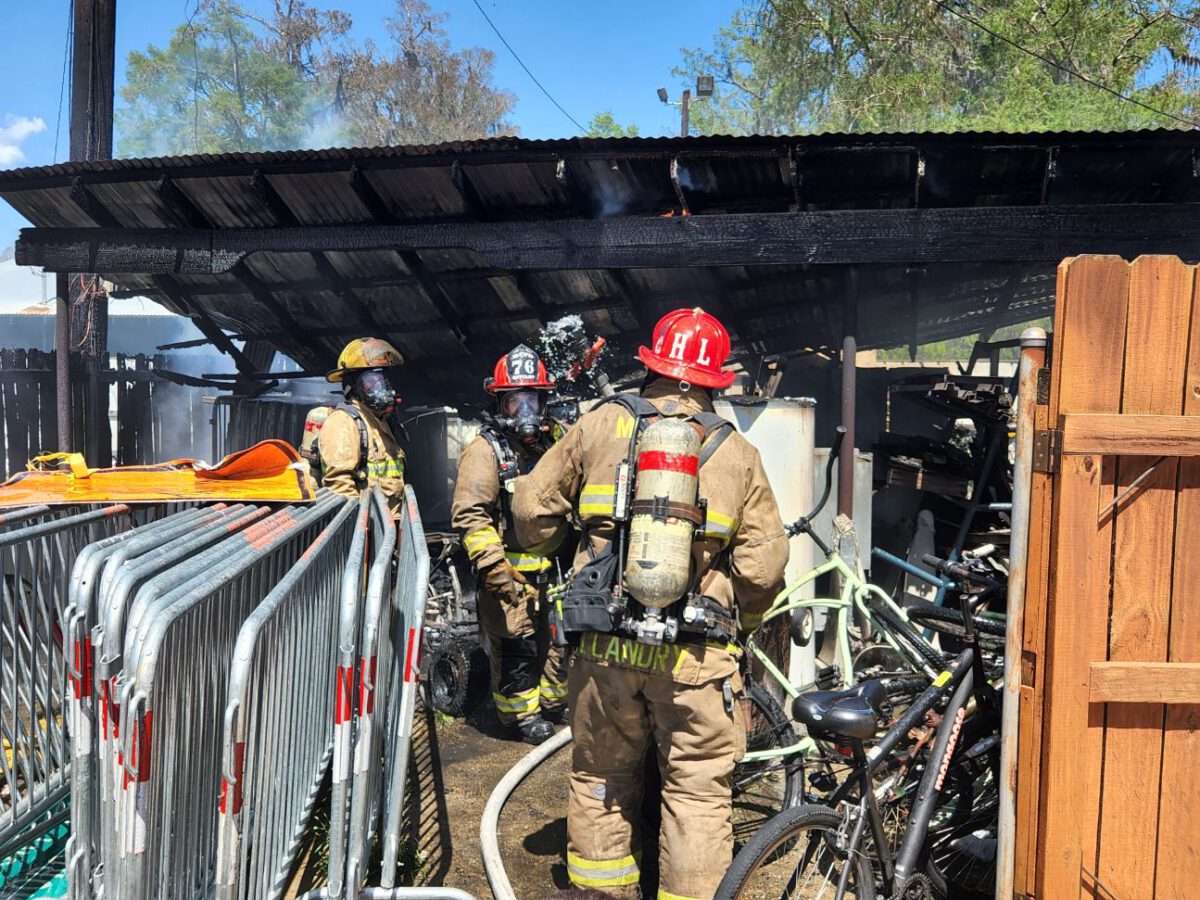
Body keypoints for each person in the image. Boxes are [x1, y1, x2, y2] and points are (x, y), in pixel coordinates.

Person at [512, 308, 789, 899]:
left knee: (600, 776)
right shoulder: (737, 452)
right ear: (715, 380)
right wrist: (745, 623)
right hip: (696, 655)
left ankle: (599, 892)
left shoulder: (597, 423)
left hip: (604, 644)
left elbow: (531, 513)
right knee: (697, 792)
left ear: (652, 366)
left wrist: (572, 547)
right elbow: (763, 569)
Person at [451, 344, 569, 744]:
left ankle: (552, 703)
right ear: (499, 404)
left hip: (556, 570)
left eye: (532, 400)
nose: (525, 411)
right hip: (510, 574)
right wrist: (493, 567)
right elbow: (470, 514)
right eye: (515, 401)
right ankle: (521, 715)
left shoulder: (558, 441)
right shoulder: (486, 451)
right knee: (516, 648)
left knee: (559, 641)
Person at [320, 337, 408, 518]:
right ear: (353, 386)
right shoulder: (344, 422)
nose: (382, 388)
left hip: (389, 528)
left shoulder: (383, 422)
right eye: (373, 381)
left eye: (384, 380)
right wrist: (361, 529)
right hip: (367, 530)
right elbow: (340, 488)